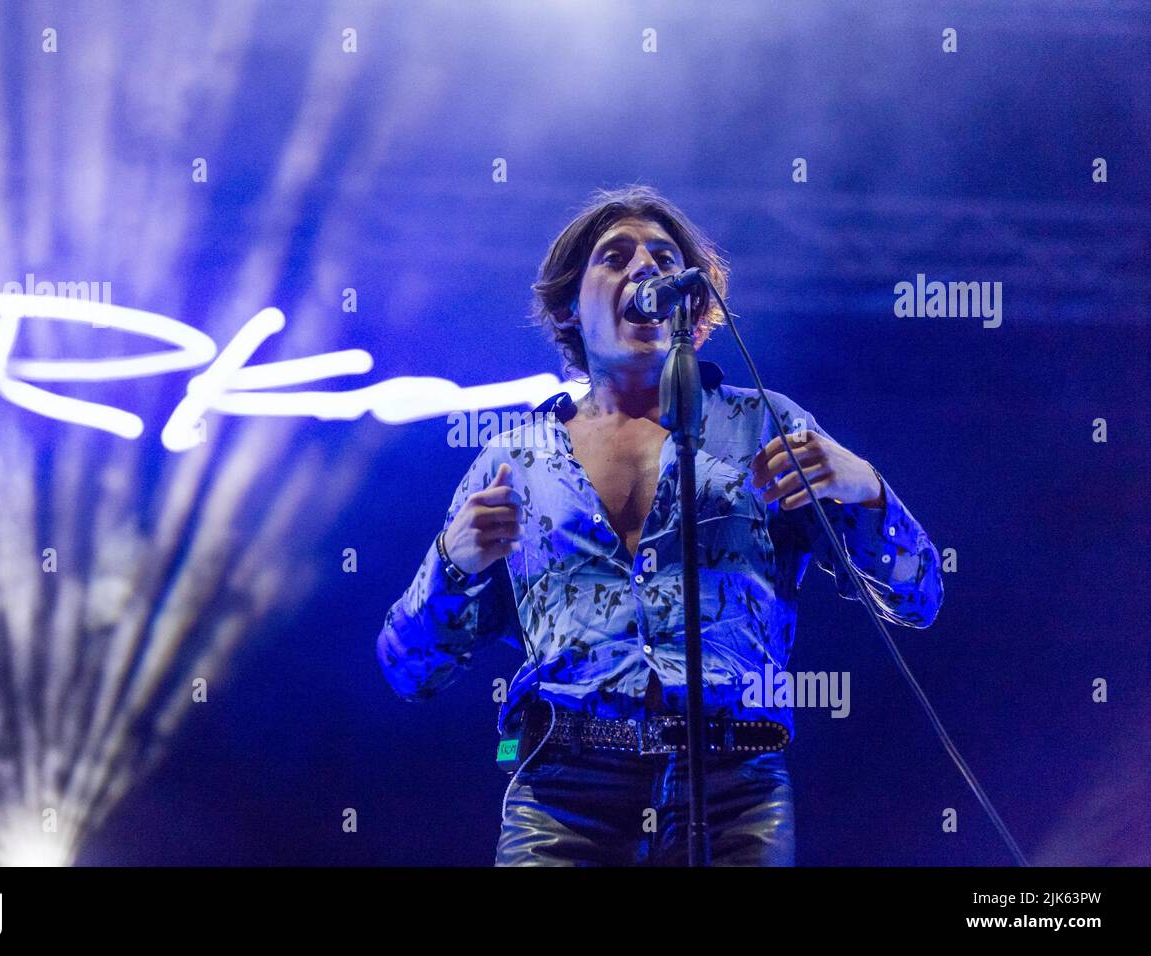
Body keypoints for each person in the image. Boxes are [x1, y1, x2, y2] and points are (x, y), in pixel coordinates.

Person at [375, 185, 944, 866]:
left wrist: (868, 489)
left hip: (733, 784)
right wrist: (453, 560)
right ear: (568, 306)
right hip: (564, 791)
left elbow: (919, 598)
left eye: (663, 257)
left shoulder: (763, 422)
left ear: (694, 304)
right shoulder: (517, 458)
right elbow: (407, 669)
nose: (644, 267)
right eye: (615, 257)